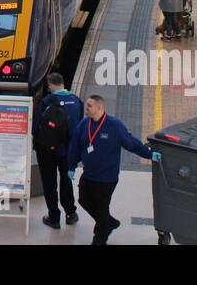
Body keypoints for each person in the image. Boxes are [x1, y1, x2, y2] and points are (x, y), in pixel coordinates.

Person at [65, 94, 159, 245]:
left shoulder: (114, 126)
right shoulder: (84, 124)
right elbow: (75, 146)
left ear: (99, 108)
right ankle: (110, 222)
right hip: (88, 175)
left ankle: (99, 238)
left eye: (89, 106)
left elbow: (131, 143)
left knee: (101, 209)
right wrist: (71, 165)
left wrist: (149, 155)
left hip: (106, 179)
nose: (86, 108)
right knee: (84, 200)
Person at [32, 72, 83, 229]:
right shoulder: (77, 102)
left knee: (49, 182)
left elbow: (36, 127)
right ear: (62, 83)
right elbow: (80, 127)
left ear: (51, 85)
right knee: (66, 181)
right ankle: (70, 213)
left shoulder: (47, 101)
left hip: (46, 150)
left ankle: (54, 217)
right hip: (68, 150)